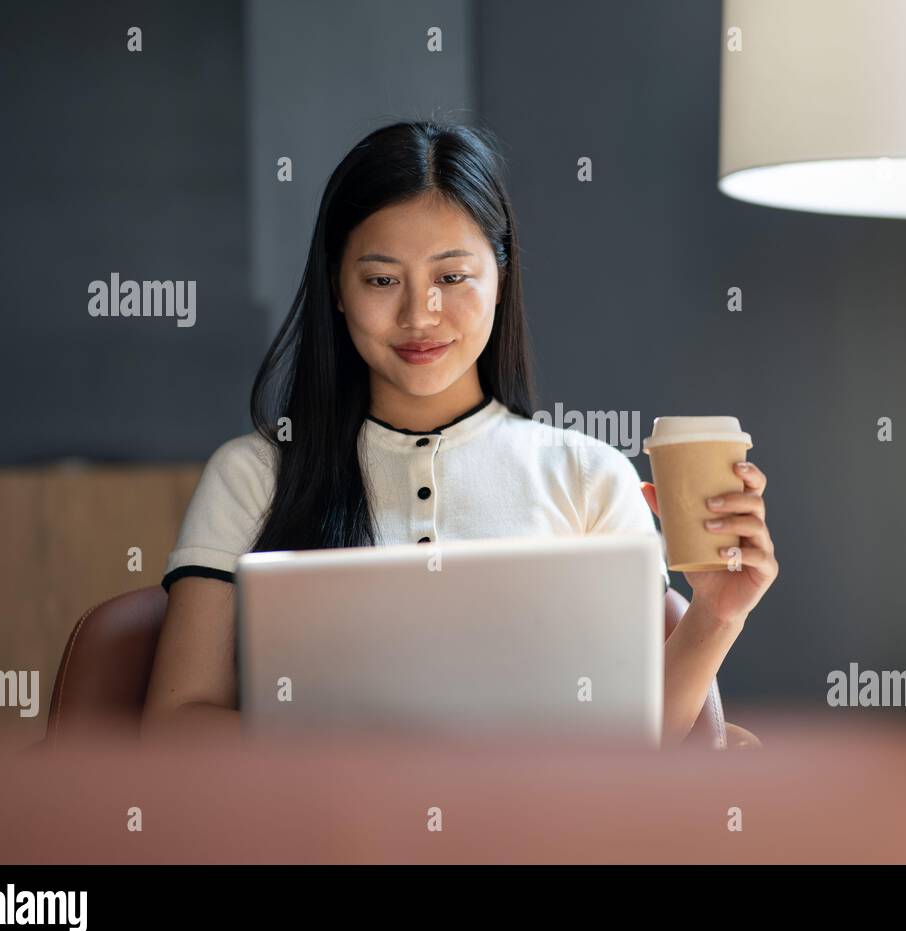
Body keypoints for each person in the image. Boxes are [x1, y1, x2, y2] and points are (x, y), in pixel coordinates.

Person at [140, 120, 777, 747]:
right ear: (337, 288)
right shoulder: (253, 475)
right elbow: (174, 728)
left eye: (452, 277)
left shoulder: (590, 476)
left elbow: (635, 748)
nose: (421, 314)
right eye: (382, 280)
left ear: (501, 278)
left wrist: (718, 612)